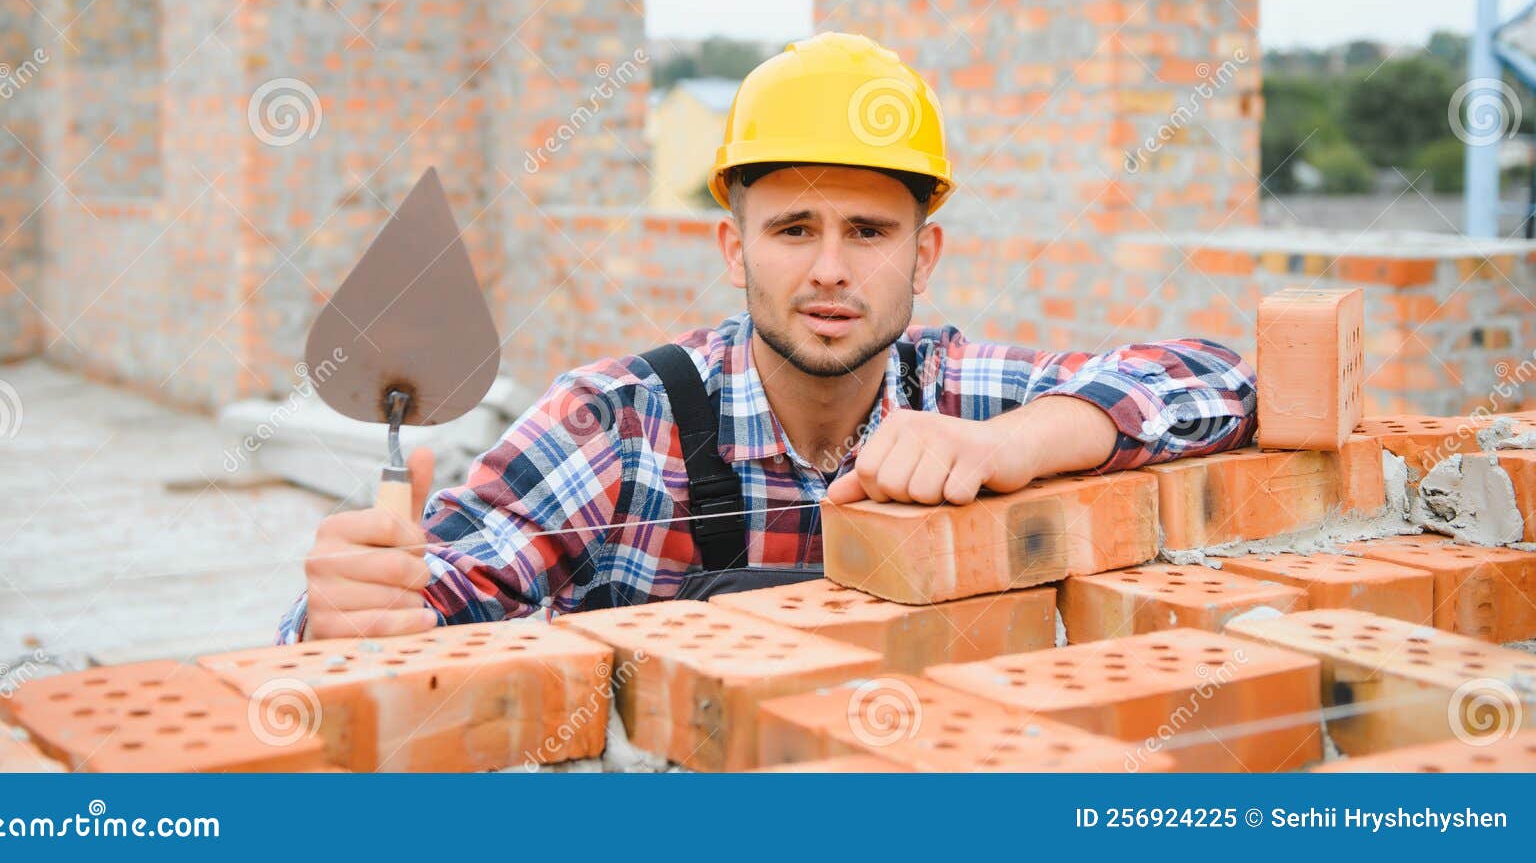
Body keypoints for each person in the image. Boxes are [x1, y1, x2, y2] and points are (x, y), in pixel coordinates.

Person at [278, 32, 1256, 642]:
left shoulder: (954, 393)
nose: (829, 269)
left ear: (923, 256)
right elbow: (430, 594)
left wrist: (1013, 444)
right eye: (793, 230)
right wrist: (345, 614)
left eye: (867, 232)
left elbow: (1220, 382)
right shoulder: (615, 425)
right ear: (733, 247)